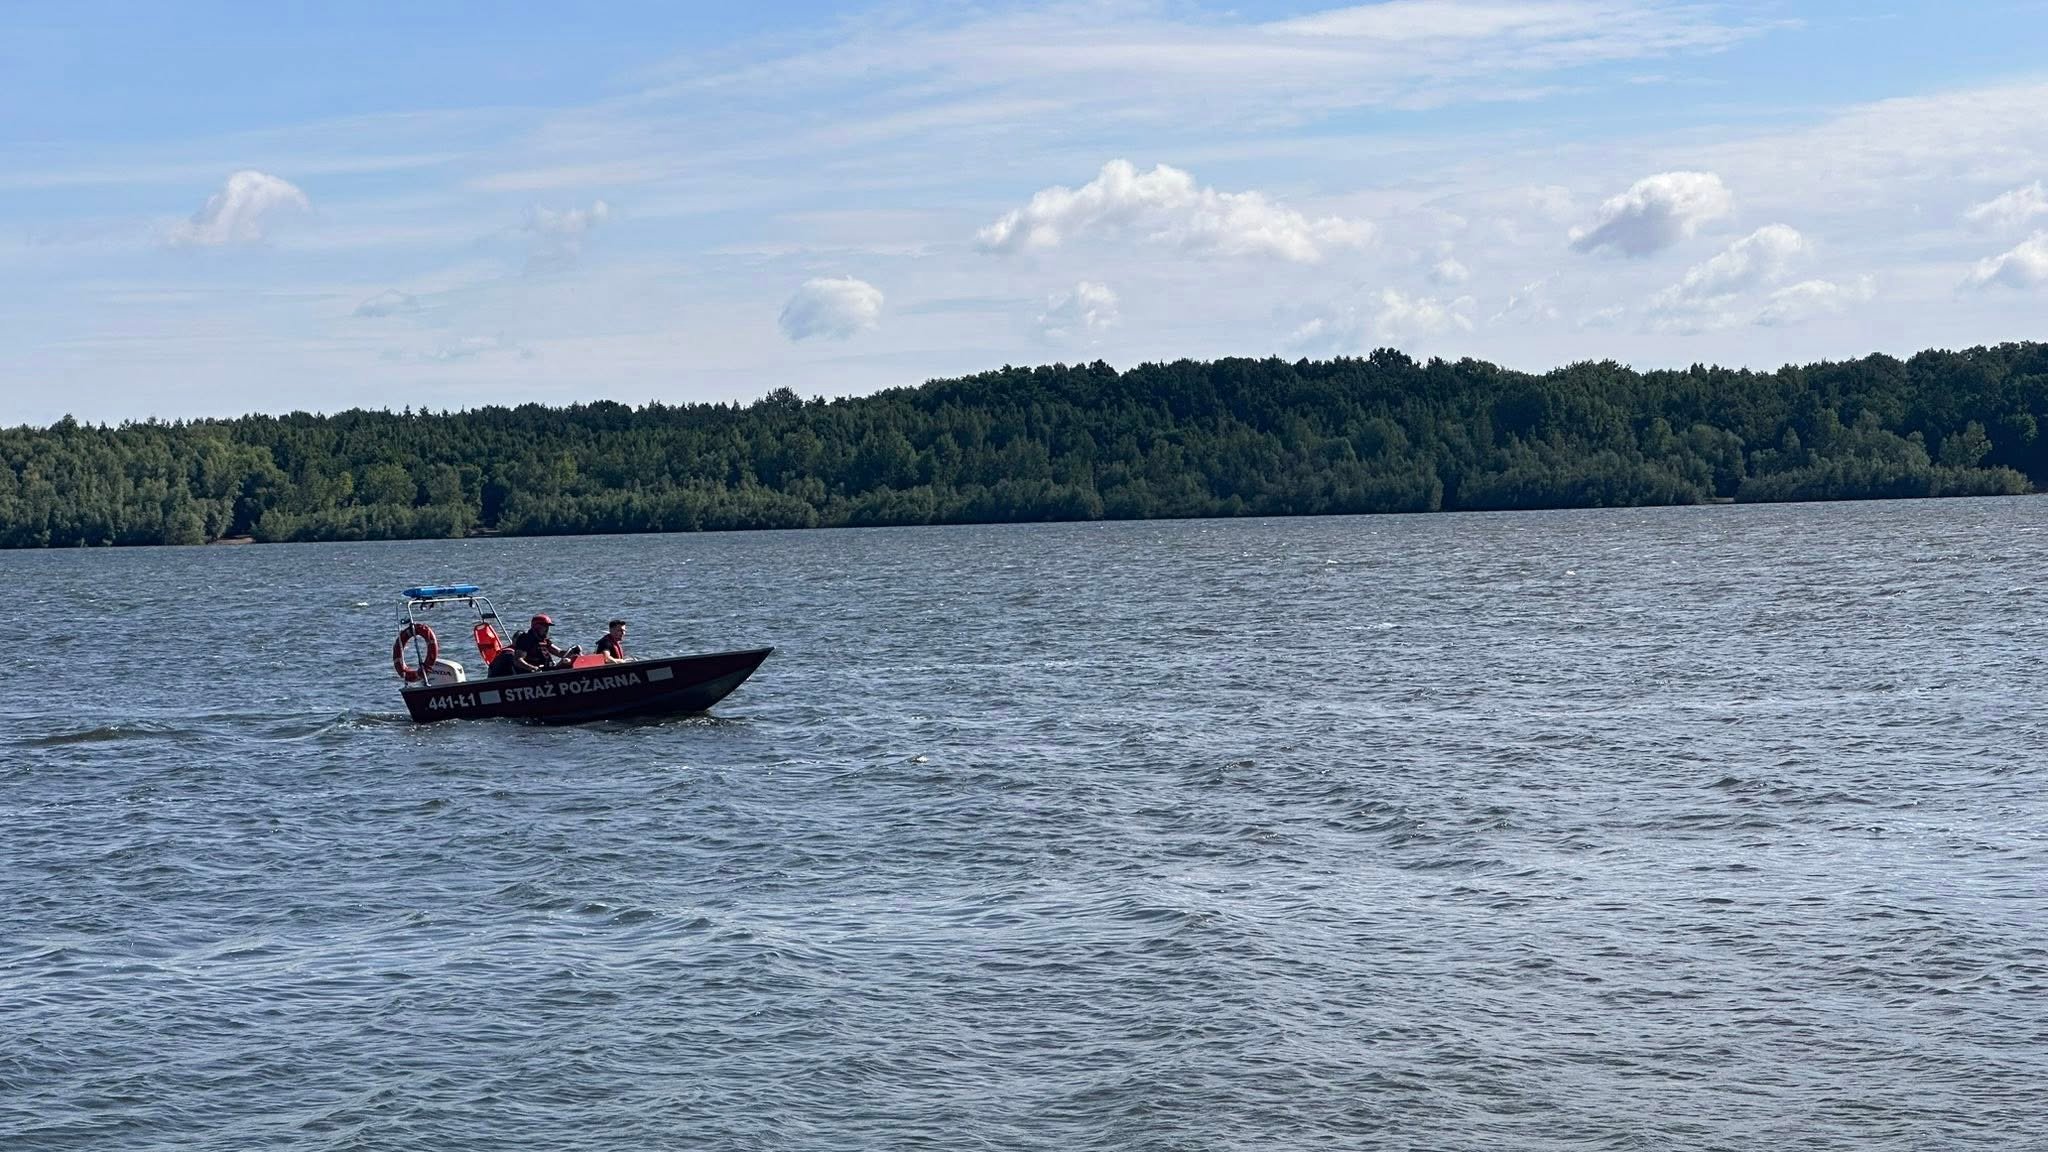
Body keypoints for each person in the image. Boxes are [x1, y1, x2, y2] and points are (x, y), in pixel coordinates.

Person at [511, 613, 579, 671]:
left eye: (548, 627)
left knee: (568, 661)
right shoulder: (526, 639)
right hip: (534, 674)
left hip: (548, 670)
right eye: (545, 626)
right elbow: (518, 660)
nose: (547, 629)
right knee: (566, 661)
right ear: (536, 626)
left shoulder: (544, 640)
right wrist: (533, 668)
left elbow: (559, 653)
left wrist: (572, 652)